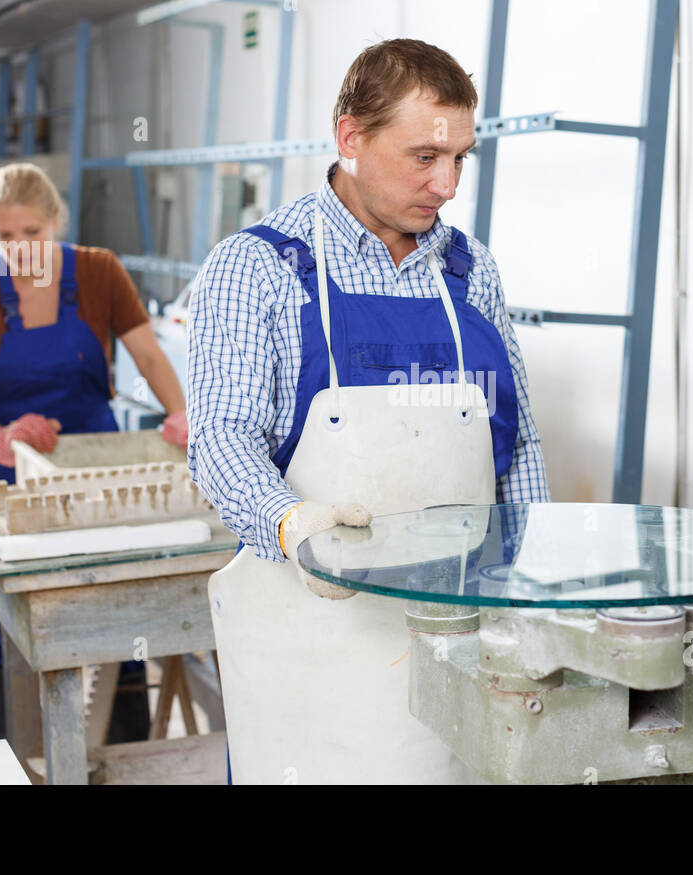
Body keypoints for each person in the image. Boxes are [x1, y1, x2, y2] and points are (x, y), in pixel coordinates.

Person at [188, 38, 549, 783]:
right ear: (350, 138)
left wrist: (533, 590)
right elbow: (222, 439)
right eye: (424, 157)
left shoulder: (469, 271)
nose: (446, 185)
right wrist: (291, 521)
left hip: (457, 645)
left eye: (460, 159)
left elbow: (518, 447)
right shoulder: (257, 267)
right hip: (313, 654)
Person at [0, 162, 189, 742]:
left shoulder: (98, 272)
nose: (19, 248)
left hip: (89, 463)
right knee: (12, 619)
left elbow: (147, 356)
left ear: (56, 223)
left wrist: (179, 413)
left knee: (116, 599)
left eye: (32, 234)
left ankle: (125, 759)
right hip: (1, 468)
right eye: (3, 237)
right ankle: (18, 754)